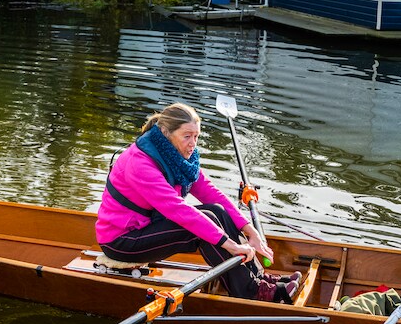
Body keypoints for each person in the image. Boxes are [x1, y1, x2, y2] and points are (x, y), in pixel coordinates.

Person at [95, 103, 299, 303]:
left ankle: (260, 278)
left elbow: (212, 194)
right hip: (121, 241)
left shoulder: (178, 157)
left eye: (196, 136)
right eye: (187, 136)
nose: (193, 143)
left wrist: (250, 231)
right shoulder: (140, 163)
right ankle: (251, 291)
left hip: (147, 228)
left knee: (216, 210)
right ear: (166, 133)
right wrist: (230, 244)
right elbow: (178, 209)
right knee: (201, 227)